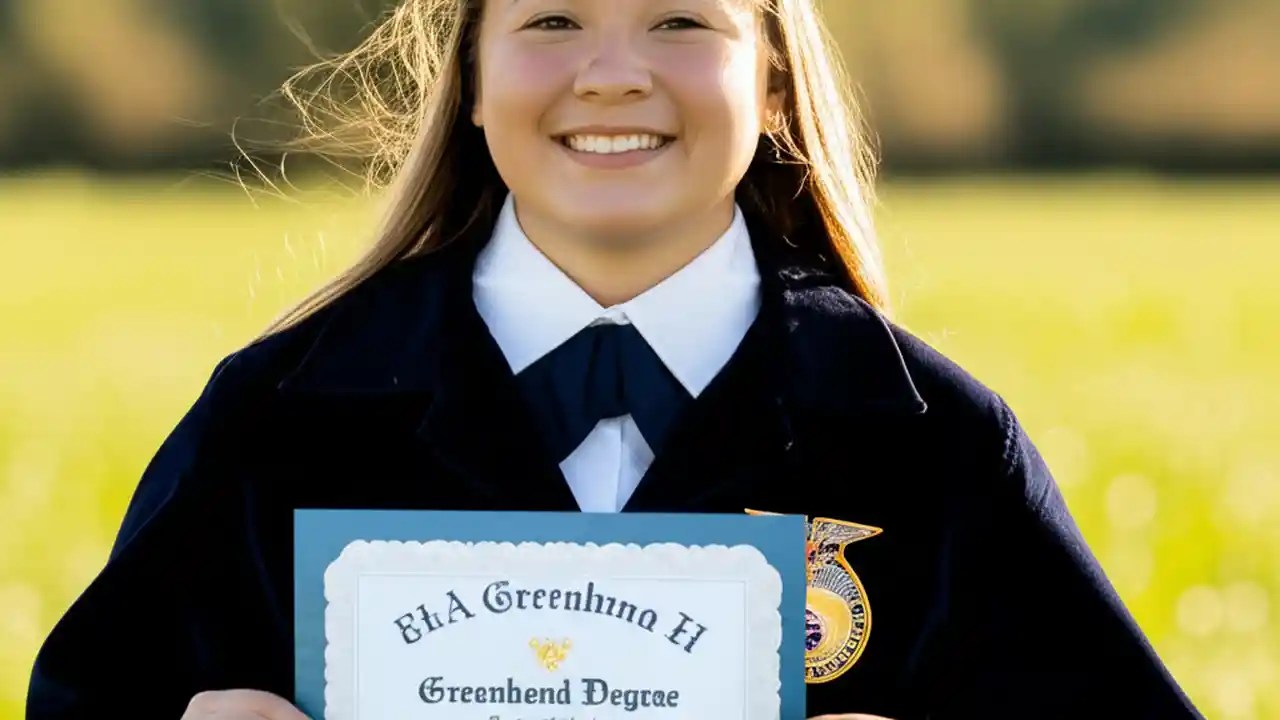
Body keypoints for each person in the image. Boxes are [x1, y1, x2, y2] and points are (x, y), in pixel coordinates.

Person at [26, 0, 1204, 718]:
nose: (613, 71)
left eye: (682, 21)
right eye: (550, 21)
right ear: (472, 79)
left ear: (773, 82)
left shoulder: (927, 439)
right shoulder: (279, 416)